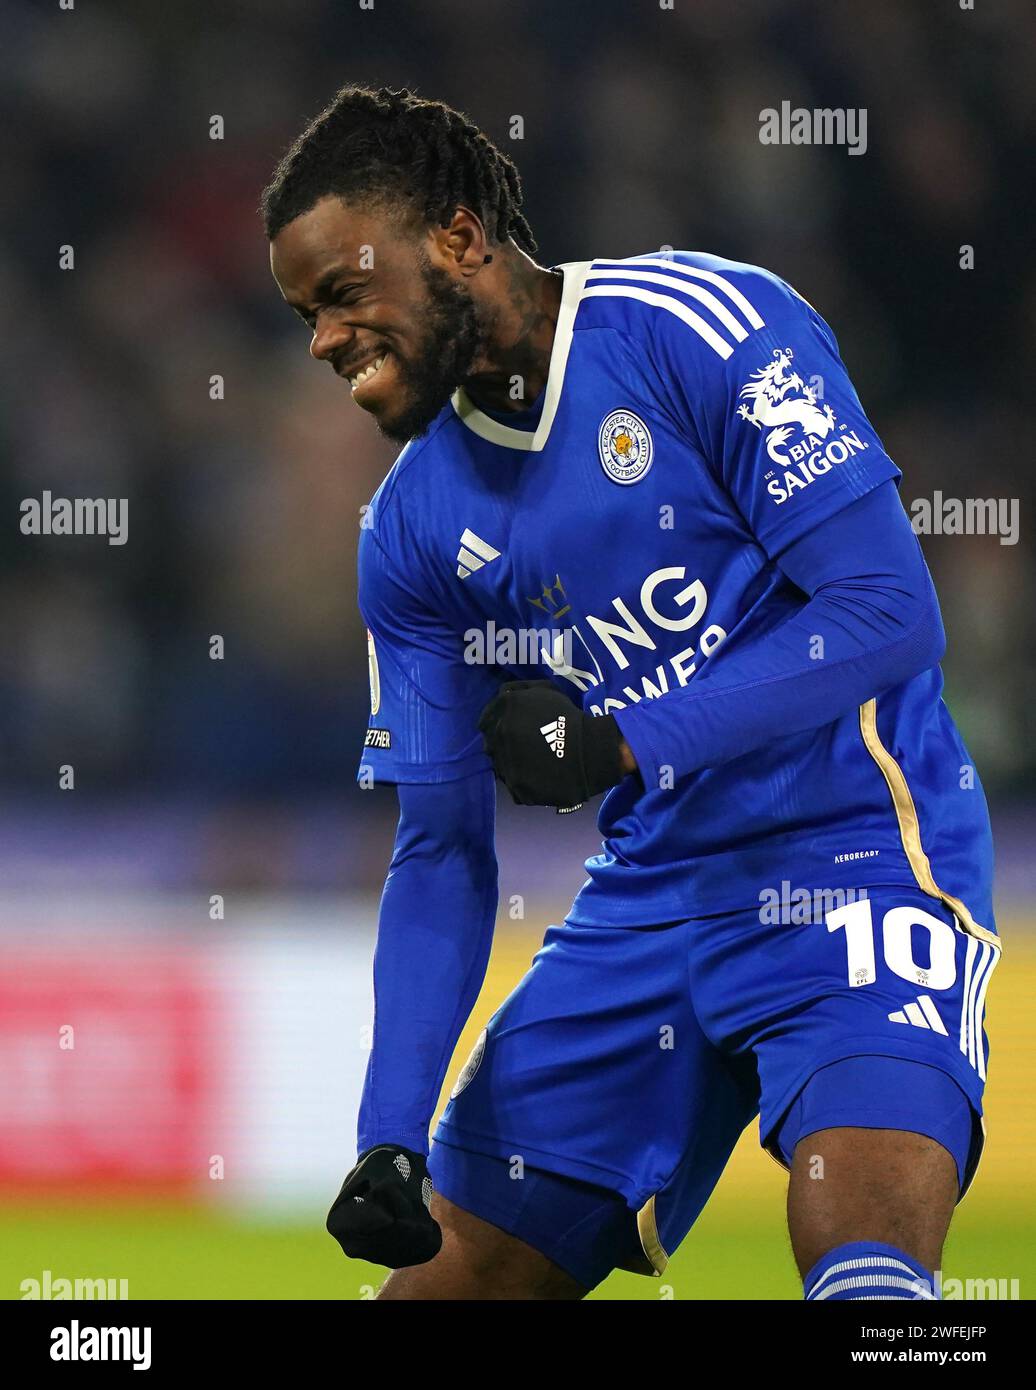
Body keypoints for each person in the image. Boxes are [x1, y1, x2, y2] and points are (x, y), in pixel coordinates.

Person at [262, 85, 1000, 1301]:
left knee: (863, 1273)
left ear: (457, 237)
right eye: (304, 315)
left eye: (343, 295)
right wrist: (386, 1133)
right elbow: (441, 852)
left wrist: (620, 739)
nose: (324, 341)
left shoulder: (697, 329)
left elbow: (885, 611)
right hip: (648, 904)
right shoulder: (407, 531)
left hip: (859, 856)